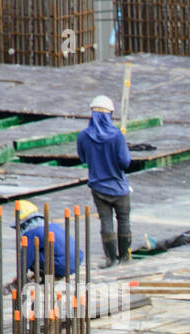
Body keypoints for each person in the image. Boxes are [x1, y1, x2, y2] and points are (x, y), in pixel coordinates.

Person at [76, 94, 132, 268]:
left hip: (98, 187)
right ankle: (124, 257)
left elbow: (83, 159)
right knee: (123, 220)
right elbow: (125, 163)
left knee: (106, 221)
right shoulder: (117, 136)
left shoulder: (83, 136)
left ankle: (111, 259)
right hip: (119, 188)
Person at [10, 199, 82, 283]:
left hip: (63, 266)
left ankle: (50, 276)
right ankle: (52, 273)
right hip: (77, 261)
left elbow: (25, 258)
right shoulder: (53, 225)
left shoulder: (31, 233)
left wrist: (19, 277)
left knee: (32, 255)